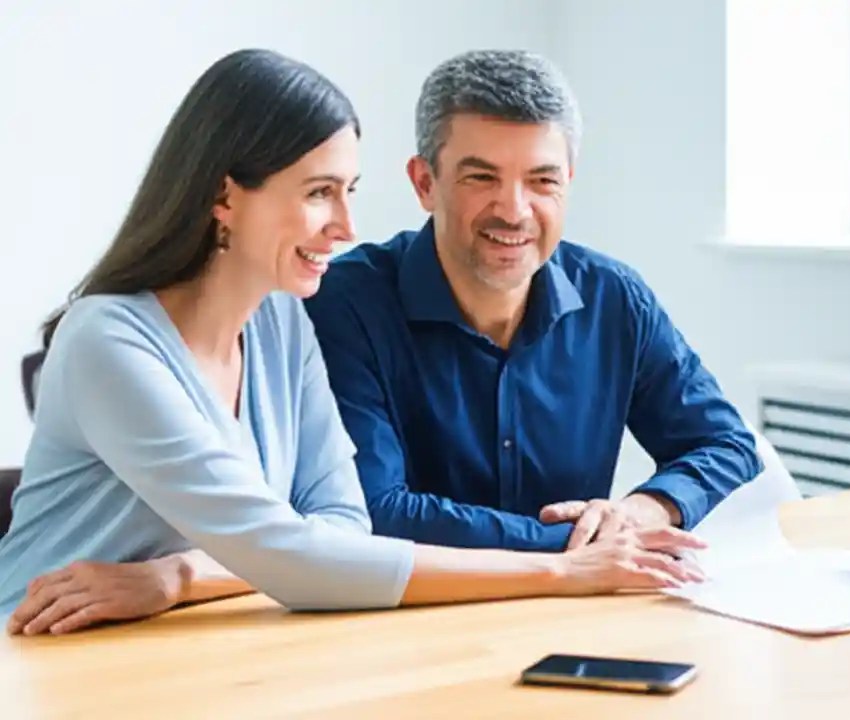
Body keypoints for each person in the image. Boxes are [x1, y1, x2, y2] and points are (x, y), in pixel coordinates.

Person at [0, 49, 706, 637]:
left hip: (184, 648)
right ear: (224, 196)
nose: (344, 226)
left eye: (349, 191)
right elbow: (289, 552)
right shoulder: (110, 342)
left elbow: (340, 528)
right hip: (38, 656)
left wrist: (179, 576)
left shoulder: (281, 321)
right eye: (318, 192)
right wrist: (563, 570)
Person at [302, 50, 761, 553]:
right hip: (411, 615)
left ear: (569, 179)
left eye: (542, 180)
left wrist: (639, 512)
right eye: (481, 178)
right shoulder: (343, 303)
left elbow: (725, 442)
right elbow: (375, 508)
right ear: (425, 183)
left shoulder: (614, 299)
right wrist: (573, 544)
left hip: (581, 607)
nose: (515, 210)